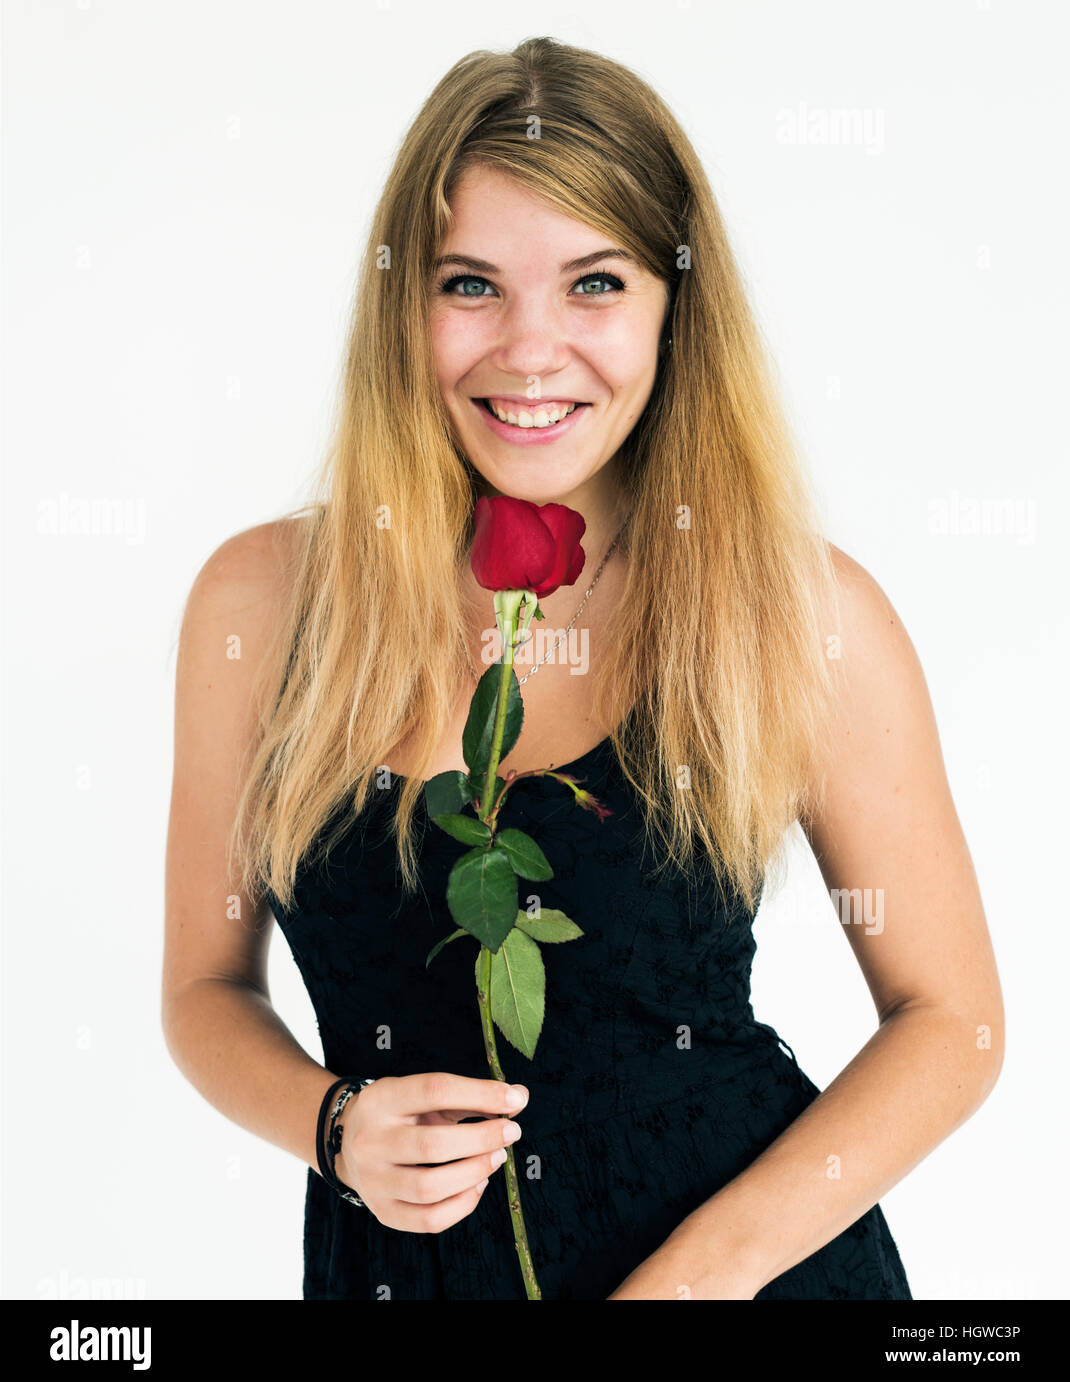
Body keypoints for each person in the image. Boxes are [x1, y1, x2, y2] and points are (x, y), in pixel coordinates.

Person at [162, 36, 1004, 1300]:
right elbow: (201, 987)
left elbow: (952, 1027)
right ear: (405, 302)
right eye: (471, 285)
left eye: (595, 283)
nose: (531, 350)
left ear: (675, 303)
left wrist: (690, 1283)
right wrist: (329, 1127)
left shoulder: (794, 609)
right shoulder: (260, 605)